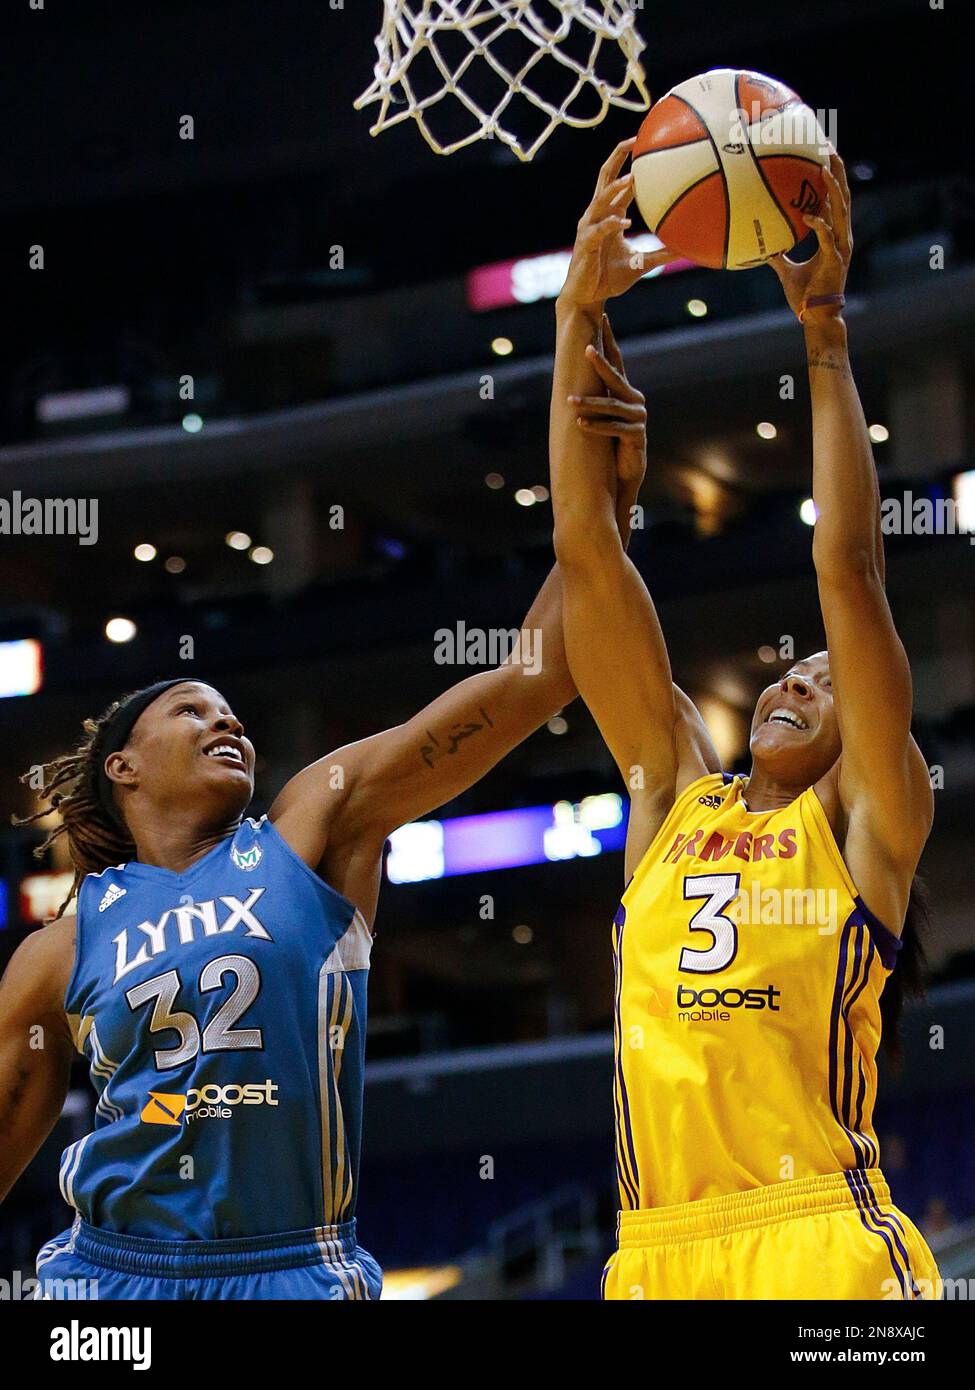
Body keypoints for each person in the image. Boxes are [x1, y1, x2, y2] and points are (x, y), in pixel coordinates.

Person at [549, 139, 940, 1299]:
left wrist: (823, 334)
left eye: (827, 681)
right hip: (657, 1253)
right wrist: (575, 315)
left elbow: (851, 570)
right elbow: (585, 559)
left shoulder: (873, 814)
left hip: (820, 1241)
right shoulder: (671, 794)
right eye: (788, 672)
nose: (797, 682)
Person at [0, 562, 586, 1297]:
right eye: (192, 710)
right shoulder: (61, 946)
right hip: (110, 1277)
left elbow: (535, 678)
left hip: (291, 1269)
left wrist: (590, 517)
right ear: (124, 766)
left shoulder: (308, 834)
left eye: (232, 716)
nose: (228, 723)